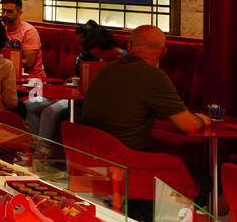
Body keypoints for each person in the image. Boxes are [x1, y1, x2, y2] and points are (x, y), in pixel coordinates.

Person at [80, 24, 209, 155]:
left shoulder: (106, 68)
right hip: (124, 159)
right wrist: (202, 120)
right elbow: (188, 126)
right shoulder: (154, 76)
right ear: (164, 52)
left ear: (129, 45)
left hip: (86, 151)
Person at [26, 20, 123, 140]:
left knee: (49, 112)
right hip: (77, 98)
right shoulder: (95, 58)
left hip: (97, 107)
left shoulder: (123, 62)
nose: (80, 47)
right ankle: (37, 147)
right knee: (29, 105)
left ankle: (43, 150)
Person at [0, 0, 46, 81]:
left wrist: (0, 62)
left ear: (19, 13)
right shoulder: (0, 28)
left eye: (9, 11)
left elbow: (29, 63)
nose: (5, 14)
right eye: (3, 10)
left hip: (33, 80)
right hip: (8, 75)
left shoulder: (29, 31)